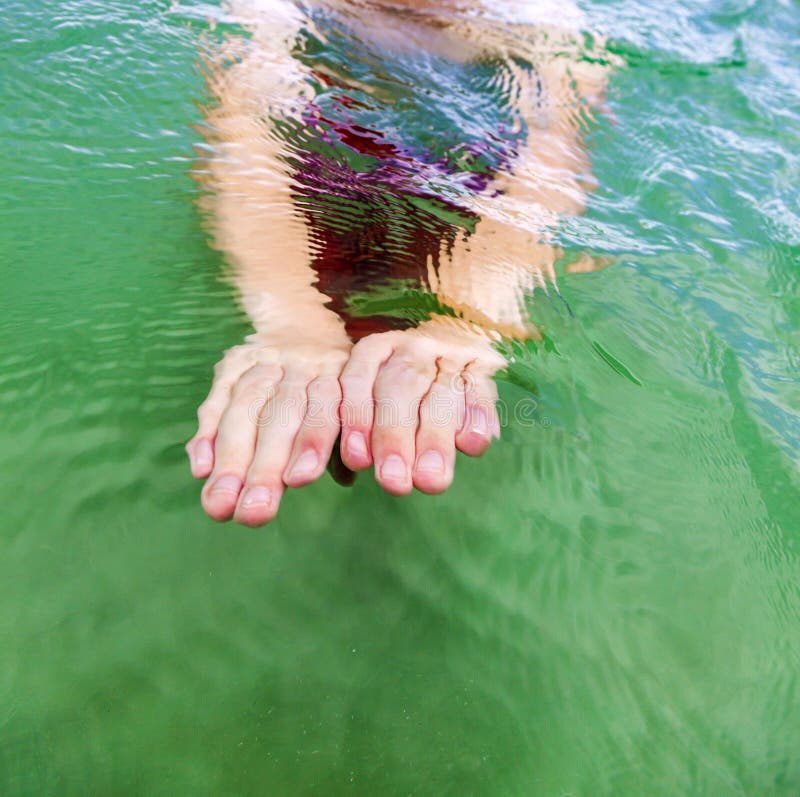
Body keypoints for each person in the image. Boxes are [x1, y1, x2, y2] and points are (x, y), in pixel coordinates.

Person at [185, 0, 611, 526]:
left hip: (473, 175)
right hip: (325, 161)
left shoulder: (543, 17)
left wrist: (468, 313)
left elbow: (553, 150)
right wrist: (293, 318)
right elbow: (245, 125)